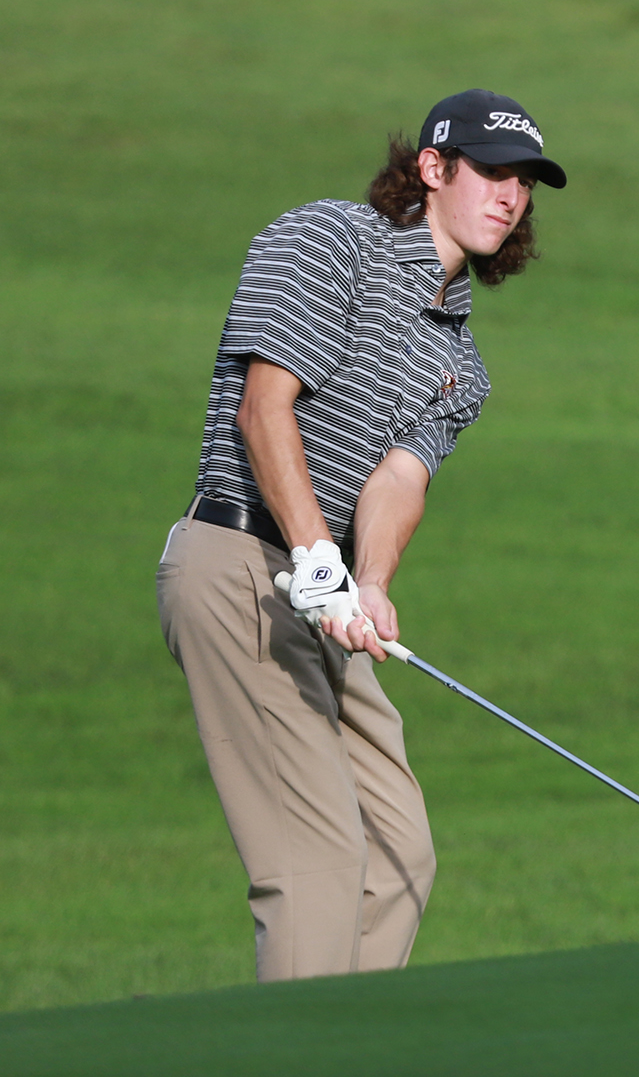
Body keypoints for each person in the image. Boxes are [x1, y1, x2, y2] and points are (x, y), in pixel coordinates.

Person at [156, 89, 566, 982]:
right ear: (432, 168)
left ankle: (345, 1044)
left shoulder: (462, 361)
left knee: (398, 853)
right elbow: (266, 411)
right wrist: (313, 554)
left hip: (324, 594)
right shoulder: (328, 238)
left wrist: (369, 581)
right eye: (492, 172)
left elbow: (397, 479)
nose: (510, 196)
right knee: (316, 865)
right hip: (240, 565)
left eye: (525, 181)